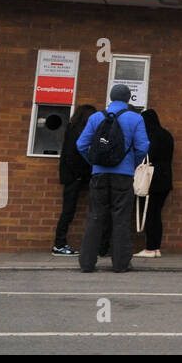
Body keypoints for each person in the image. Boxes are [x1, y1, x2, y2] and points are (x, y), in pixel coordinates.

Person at [76, 84, 149, 273]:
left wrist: (94, 163)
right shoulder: (135, 118)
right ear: (128, 99)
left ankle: (86, 263)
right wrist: (131, 165)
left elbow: (81, 144)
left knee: (94, 217)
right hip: (123, 176)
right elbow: (142, 147)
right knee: (121, 219)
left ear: (110, 97)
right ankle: (120, 264)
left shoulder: (95, 117)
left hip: (99, 175)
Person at [51, 104, 96, 256]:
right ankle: (59, 244)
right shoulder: (77, 132)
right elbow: (74, 156)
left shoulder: (73, 129)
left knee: (69, 210)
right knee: (68, 211)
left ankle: (60, 243)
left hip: (72, 175)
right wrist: (81, 174)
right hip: (74, 176)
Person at [135, 108, 174, 258]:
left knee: (150, 213)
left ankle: (150, 248)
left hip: (151, 178)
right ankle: (156, 247)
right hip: (165, 178)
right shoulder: (167, 135)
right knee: (156, 214)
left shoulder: (150, 136)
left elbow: (147, 156)